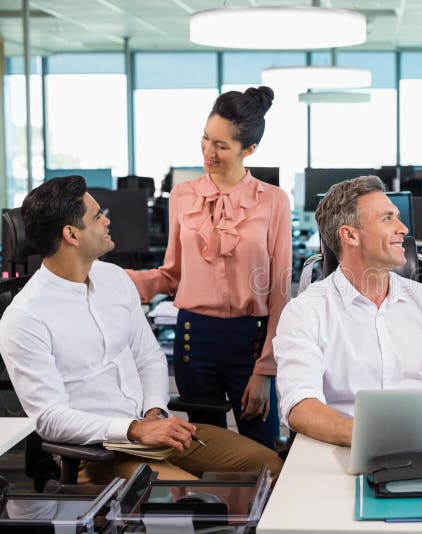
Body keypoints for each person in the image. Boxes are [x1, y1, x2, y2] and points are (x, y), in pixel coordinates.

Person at [0, 176, 282, 483]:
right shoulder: (26, 317)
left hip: (154, 431)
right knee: (189, 501)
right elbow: (49, 418)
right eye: (97, 216)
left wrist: (153, 411)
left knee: (270, 465)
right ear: (71, 234)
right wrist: (134, 430)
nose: (106, 221)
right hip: (99, 452)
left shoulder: (114, 279)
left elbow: (149, 358)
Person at [126, 86, 291, 449]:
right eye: (205, 138)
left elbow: (280, 289)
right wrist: (113, 280)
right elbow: (172, 274)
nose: (208, 151)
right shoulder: (184, 195)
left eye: (222, 145)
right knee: (205, 449)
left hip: (251, 340)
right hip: (194, 339)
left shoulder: (274, 201)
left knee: (262, 450)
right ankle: (211, 508)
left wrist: (266, 368)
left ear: (248, 150)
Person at [273, 176, 422, 446]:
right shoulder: (305, 312)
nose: (403, 228)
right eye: (387, 218)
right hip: (342, 448)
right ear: (350, 235)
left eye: (398, 217)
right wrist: (376, 439)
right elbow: (300, 406)